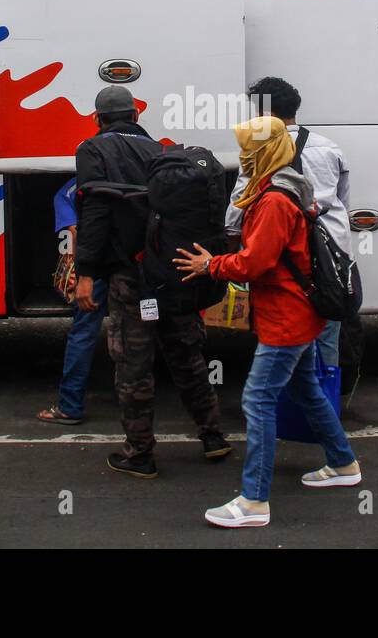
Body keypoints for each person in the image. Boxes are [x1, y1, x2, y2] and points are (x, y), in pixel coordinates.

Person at [176, 117, 361, 528]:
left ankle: (254, 502)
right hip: (299, 312)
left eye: (247, 149)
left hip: (285, 318)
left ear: (262, 152)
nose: (242, 156)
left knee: (258, 401)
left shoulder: (274, 199)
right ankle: (343, 464)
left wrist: (211, 265)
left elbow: (254, 263)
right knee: (308, 390)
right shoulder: (286, 185)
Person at [74, 85, 230, 478]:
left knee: (133, 365)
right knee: (187, 356)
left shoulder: (92, 150)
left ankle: (139, 453)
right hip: (173, 272)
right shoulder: (160, 153)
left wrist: (87, 272)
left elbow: (95, 212)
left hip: (132, 278)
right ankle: (213, 436)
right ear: (136, 116)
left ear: (97, 119)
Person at [225, 77, 360, 380]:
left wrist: (231, 248)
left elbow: (239, 203)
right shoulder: (328, 148)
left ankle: (289, 399)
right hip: (330, 253)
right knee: (327, 330)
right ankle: (327, 399)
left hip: (286, 257)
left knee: (283, 328)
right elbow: (342, 201)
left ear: (263, 112)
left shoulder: (261, 148)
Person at [36, 176, 107, 425]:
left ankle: (70, 406)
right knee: (139, 330)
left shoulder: (68, 191)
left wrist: (80, 274)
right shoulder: (132, 171)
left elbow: (74, 235)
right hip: (129, 264)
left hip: (94, 271)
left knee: (83, 332)